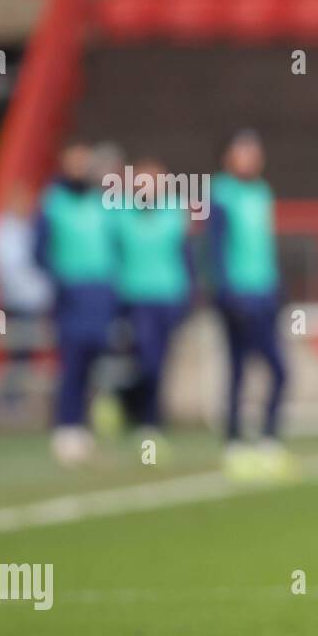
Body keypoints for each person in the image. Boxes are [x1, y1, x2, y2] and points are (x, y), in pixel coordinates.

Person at [209, 130, 291, 480]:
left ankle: (268, 439)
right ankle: (235, 443)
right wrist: (226, 291)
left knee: (277, 369)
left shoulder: (262, 192)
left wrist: (277, 288)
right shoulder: (221, 194)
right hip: (238, 296)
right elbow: (214, 248)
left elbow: (264, 246)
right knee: (239, 368)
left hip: (264, 293)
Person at [34, 141, 119, 465]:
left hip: (100, 293)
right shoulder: (53, 203)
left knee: (95, 364)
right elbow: (38, 250)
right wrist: (62, 278)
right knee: (71, 364)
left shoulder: (102, 203)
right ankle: (65, 428)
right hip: (72, 295)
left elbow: (114, 246)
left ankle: (84, 427)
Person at [113, 158, 192, 438]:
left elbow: (185, 255)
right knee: (146, 360)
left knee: (161, 362)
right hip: (135, 297)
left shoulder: (174, 211)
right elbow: (114, 254)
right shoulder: (121, 212)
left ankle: (152, 420)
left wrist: (188, 297)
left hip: (168, 297)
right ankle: (137, 412)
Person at [0, 182, 53, 418]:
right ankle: (10, 402)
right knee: (19, 353)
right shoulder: (3, 230)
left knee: (40, 352)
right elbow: (9, 269)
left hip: (40, 299)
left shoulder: (31, 227)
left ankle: (32, 402)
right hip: (18, 302)